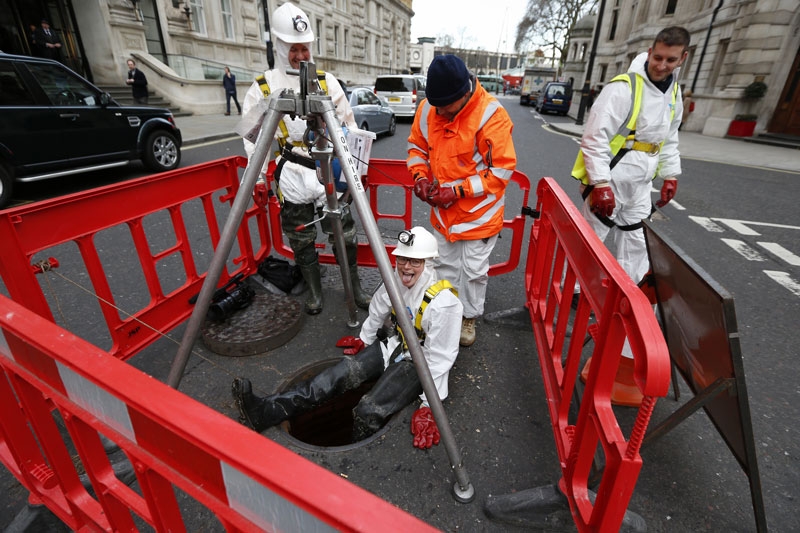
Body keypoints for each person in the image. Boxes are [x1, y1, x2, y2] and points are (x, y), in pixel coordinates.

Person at [232, 227, 463, 449]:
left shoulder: (444, 304)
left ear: (429, 263)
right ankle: (265, 412)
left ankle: (355, 459)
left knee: (367, 410)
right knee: (333, 377)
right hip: (394, 345)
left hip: (419, 363)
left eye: (415, 262)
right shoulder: (397, 279)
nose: (405, 267)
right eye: (402, 259)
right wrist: (365, 337)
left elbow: (441, 357)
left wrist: (429, 403)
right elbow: (380, 305)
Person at [571, 26, 690, 405]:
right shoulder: (624, 88)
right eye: (658, 57)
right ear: (650, 51)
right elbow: (595, 138)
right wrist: (601, 184)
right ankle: (575, 292)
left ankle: (624, 301)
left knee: (637, 242)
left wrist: (671, 174)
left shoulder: (674, 92)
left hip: (640, 183)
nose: (662, 64)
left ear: (682, 59)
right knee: (592, 239)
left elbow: (670, 138)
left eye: (671, 59)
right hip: (613, 176)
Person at [241, 2, 370, 315]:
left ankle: (354, 286)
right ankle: (314, 291)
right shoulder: (262, 88)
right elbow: (252, 140)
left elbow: (350, 129)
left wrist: (355, 172)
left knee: (345, 235)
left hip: (328, 168)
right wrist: (258, 179)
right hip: (292, 171)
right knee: (301, 238)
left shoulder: (328, 82)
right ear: (281, 47)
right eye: (293, 49)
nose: (300, 56)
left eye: (304, 48)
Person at [407, 54, 517, 348]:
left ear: (465, 94)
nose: (439, 112)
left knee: (473, 272)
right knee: (444, 266)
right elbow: (417, 147)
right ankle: (447, 312)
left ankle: (468, 316)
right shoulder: (428, 109)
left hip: (479, 215)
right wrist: (419, 177)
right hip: (445, 213)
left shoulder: (491, 116)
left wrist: (456, 191)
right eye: (436, 105)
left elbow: (500, 172)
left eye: (446, 107)